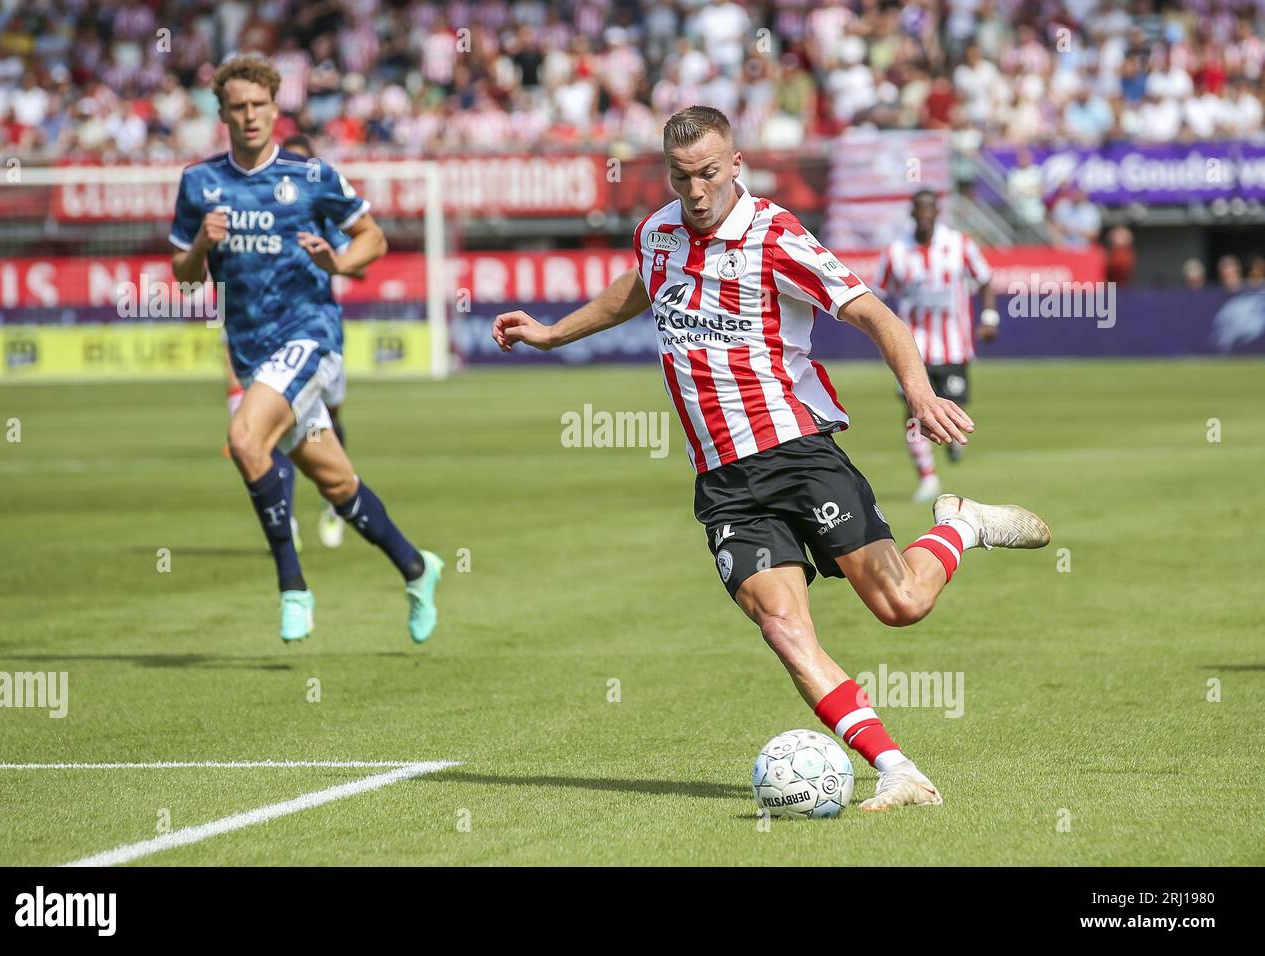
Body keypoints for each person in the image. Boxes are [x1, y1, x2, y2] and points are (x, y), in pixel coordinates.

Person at [493, 106, 1050, 811]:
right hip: (723, 483)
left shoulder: (774, 234)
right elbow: (634, 289)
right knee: (785, 630)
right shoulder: (658, 233)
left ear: (735, 167)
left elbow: (874, 312)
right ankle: (898, 769)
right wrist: (551, 332)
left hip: (796, 451)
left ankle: (961, 523)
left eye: (707, 174)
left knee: (901, 604)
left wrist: (919, 392)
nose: (694, 191)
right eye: (680, 175)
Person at [171, 55, 442, 644]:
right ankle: (418, 569)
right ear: (221, 113)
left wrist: (338, 262)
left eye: (258, 106)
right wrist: (198, 244)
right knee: (339, 486)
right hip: (249, 350)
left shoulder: (313, 177)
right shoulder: (199, 184)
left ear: (275, 108)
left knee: (245, 440)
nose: (249, 116)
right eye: (237, 107)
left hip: (309, 337)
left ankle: (293, 587)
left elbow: (374, 237)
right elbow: (187, 278)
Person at [222, 132, 358, 550]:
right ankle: (286, 522)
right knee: (273, 430)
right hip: (265, 340)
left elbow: (360, 261)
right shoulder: (254, 213)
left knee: (327, 421)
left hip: (314, 336)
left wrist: (331, 260)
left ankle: (339, 497)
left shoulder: (316, 213)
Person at [875, 190, 997, 502]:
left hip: (953, 345)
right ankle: (927, 477)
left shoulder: (959, 245)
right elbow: (878, 294)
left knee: (954, 402)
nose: (926, 215)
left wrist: (989, 316)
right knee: (912, 410)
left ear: (937, 212)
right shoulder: (896, 251)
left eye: (931, 209)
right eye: (920, 210)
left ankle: (953, 440)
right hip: (911, 347)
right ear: (913, 213)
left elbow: (984, 279)